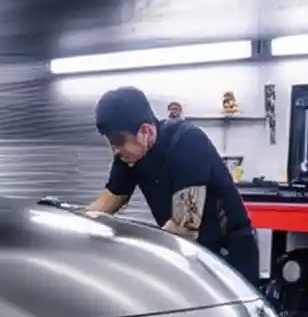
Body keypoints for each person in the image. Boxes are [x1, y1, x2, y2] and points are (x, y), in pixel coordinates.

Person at [82, 86, 260, 284]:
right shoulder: (128, 157)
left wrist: (136, 258)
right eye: (111, 143)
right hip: (192, 253)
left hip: (230, 254)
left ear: (146, 131)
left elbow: (184, 228)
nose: (115, 151)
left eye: (119, 142)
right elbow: (106, 203)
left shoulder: (187, 142)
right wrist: (74, 223)